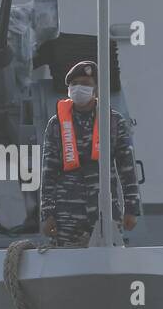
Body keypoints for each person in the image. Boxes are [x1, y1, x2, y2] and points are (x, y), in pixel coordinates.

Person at [40, 60, 138, 246]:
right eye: (74, 84)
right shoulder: (56, 124)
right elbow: (48, 171)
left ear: (96, 89)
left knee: (108, 261)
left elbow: (127, 168)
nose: (79, 88)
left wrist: (132, 209)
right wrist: (47, 212)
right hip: (66, 212)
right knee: (65, 263)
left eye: (85, 84)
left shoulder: (114, 122)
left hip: (104, 209)